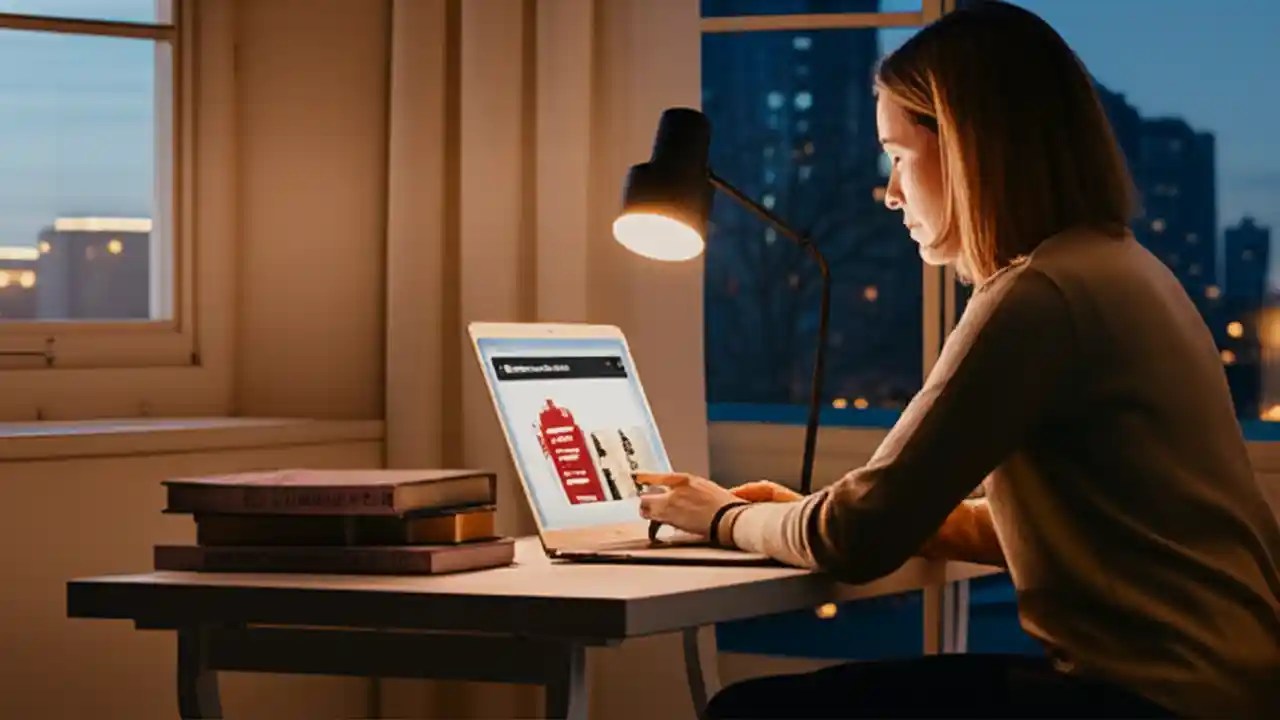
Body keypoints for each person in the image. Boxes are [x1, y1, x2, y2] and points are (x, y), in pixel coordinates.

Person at [637, 2, 1280, 717]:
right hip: (1231, 684)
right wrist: (809, 511)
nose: (889, 192)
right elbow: (1047, 522)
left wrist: (722, 515)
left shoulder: (1038, 296)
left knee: (748, 712)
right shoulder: (1124, 270)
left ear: (970, 147)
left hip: (1154, 700)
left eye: (900, 156)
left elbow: (856, 540)